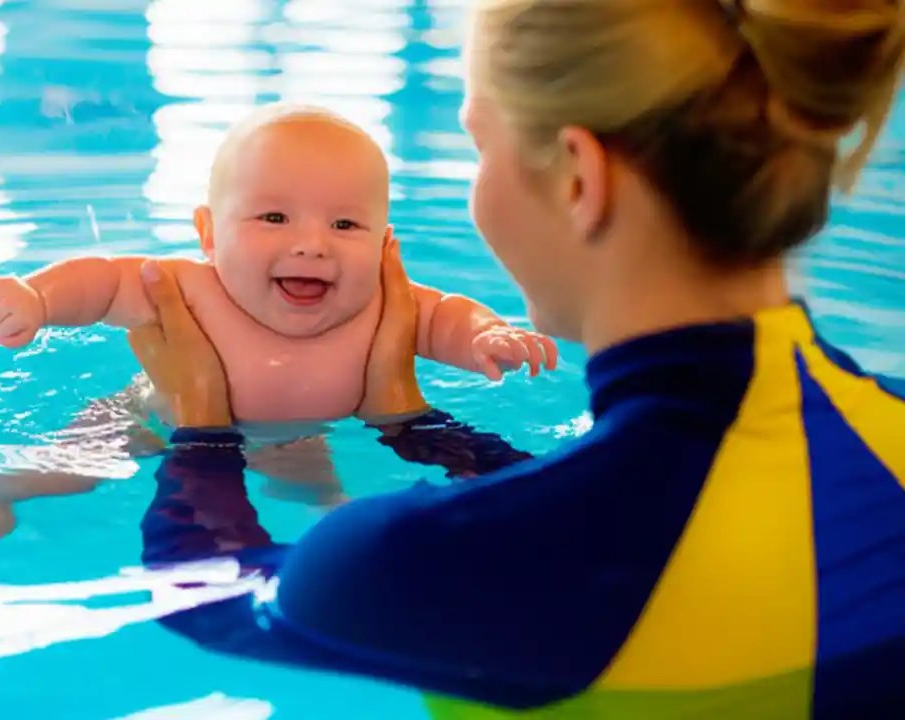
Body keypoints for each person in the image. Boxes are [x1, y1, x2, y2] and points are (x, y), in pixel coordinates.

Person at [127, 0, 905, 717]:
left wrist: (202, 420)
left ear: (578, 177)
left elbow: (207, 601)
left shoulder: (395, 565)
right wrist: (407, 414)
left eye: (479, 144)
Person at [0, 102, 557, 550]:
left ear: (383, 243)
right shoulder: (187, 289)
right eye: (274, 216)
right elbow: (105, 281)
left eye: (346, 226)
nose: (312, 245)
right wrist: (36, 296)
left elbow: (444, 313)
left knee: (319, 493)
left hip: (301, 437)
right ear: (209, 234)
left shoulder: (377, 297)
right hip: (148, 415)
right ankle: (4, 496)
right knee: (73, 463)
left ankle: (336, 531)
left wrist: (484, 334)